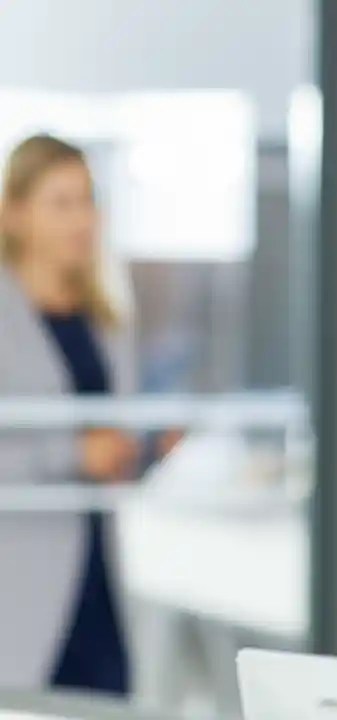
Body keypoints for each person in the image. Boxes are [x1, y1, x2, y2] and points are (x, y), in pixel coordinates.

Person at [0, 134, 138, 695]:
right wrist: (72, 454)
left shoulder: (105, 321)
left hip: (96, 575)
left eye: (88, 200)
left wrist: (144, 451)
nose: (82, 219)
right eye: (62, 202)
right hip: (21, 577)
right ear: (15, 215)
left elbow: (114, 436)